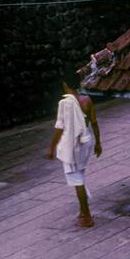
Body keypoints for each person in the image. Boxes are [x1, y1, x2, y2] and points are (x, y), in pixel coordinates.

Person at [46, 71, 102, 228]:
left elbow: (59, 128)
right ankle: (82, 211)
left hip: (74, 145)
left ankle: (87, 216)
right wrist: (99, 143)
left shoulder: (64, 103)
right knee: (80, 175)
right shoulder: (87, 100)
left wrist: (51, 148)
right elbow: (94, 122)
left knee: (77, 180)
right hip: (87, 141)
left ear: (65, 85)